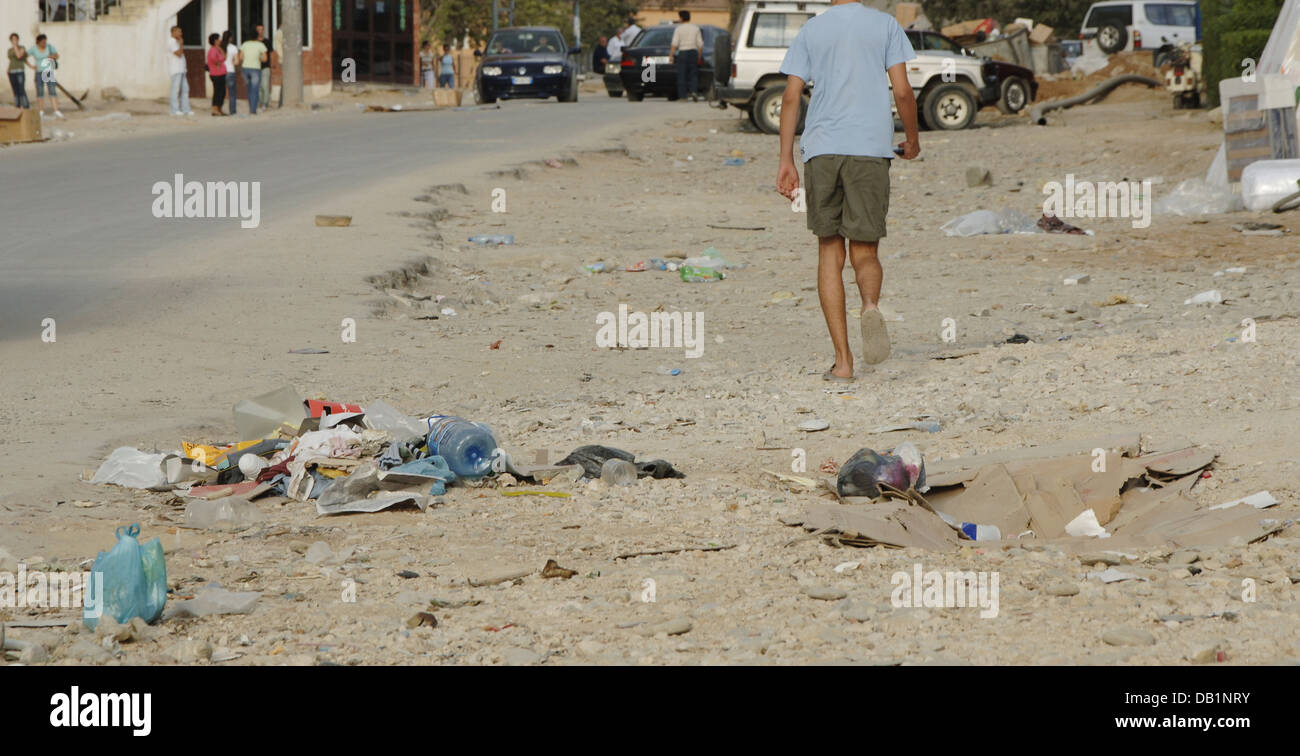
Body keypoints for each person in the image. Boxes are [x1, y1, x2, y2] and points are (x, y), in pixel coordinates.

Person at [775, 0, 919, 381]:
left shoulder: (812, 30)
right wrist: (914, 140)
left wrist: (785, 160)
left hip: (822, 148)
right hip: (870, 149)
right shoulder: (886, 25)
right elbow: (903, 91)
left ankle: (843, 362)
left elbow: (791, 96)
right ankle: (869, 305)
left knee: (829, 250)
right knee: (865, 249)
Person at [669, 10, 703, 102]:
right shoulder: (696, 28)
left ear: (681, 18)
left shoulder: (679, 29)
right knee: (693, 74)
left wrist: (671, 56)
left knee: (682, 74)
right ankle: (694, 92)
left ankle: (683, 96)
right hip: (693, 52)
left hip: (683, 53)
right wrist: (699, 56)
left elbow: (674, 44)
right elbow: (700, 44)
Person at [29, 34, 62, 118]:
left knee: (52, 90)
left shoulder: (49, 47)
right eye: (42, 42)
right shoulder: (34, 49)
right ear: (38, 42)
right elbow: (24, 55)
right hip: (39, 72)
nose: (44, 43)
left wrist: (52, 56)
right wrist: (31, 66)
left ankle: (56, 110)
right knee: (40, 91)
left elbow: (57, 55)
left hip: (49, 71)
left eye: (45, 41)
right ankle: (41, 111)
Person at [238, 30, 267, 114]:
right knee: (255, 89)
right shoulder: (261, 45)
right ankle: (253, 110)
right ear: (257, 36)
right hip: (255, 68)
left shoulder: (245, 44)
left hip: (245, 68)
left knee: (249, 89)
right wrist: (259, 57)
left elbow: (241, 57)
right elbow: (265, 59)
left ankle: (251, 106)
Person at [166, 25, 191, 116]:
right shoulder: (171, 42)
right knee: (175, 90)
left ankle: (185, 109)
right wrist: (181, 44)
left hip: (182, 69)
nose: (181, 34)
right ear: (173, 32)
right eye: (179, 32)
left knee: (185, 89)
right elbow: (179, 54)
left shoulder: (176, 42)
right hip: (175, 69)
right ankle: (174, 110)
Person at [206, 32, 226, 116]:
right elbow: (213, 59)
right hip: (216, 73)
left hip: (221, 73)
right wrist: (218, 63)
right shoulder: (213, 50)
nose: (220, 40)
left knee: (222, 92)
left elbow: (224, 57)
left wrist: (220, 49)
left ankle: (219, 108)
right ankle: (215, 109)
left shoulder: (217, 49)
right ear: (215, 40)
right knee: (217, 91)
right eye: (218, 39)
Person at [7, 34, 29, 109]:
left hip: (19, 71)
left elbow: (19, 56)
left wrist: (16, 46)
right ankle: (17, 106)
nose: (14, 41)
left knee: (21, 89)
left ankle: (26, 106)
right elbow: (12, 59)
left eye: (15, 39)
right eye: (13, 39)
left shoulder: (22, 48)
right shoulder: (10, 50)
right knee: (15, 90)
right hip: (11, 72)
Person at [255, 24, 272, 110]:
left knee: (265, 85)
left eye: (262, 29)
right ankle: (260, 102)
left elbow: (270, 54)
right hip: (256, 67)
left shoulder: (267, 42)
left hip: (265, 67)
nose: (260, 31)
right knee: (258, 86)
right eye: (258, 29)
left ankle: (265, 103)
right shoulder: (254, 42)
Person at [222, 30, 238, 114]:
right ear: (230, 38)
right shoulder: (233, 48)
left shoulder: (219, 47)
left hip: (220, 72)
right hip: (230, 71)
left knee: (220, 92)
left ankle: (218, 109)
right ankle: (233, 111)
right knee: (232, 93)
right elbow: (236, 62)